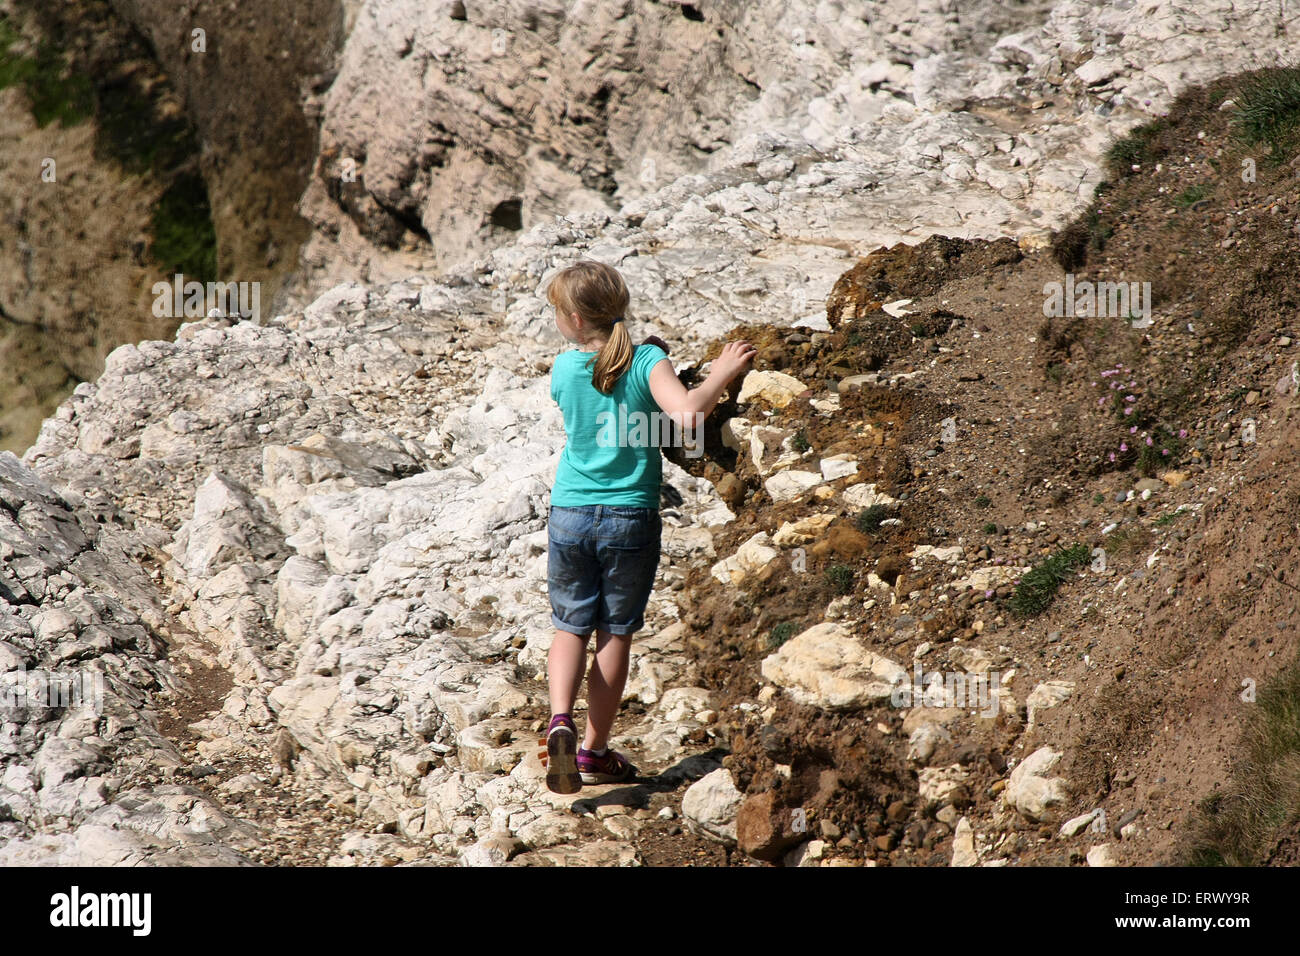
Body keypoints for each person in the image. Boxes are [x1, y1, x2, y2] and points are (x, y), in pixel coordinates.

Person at [540, 259, 756, 793]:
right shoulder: (647, 359)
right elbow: (682, 416)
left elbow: (601, 392)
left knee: (569, 625)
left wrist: (643, 359)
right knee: (615, 632)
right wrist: (721, 373)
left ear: (571, 319)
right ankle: (592, 751)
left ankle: (559, 720)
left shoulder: (564, 369)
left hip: (570, 511)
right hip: (630, 517)